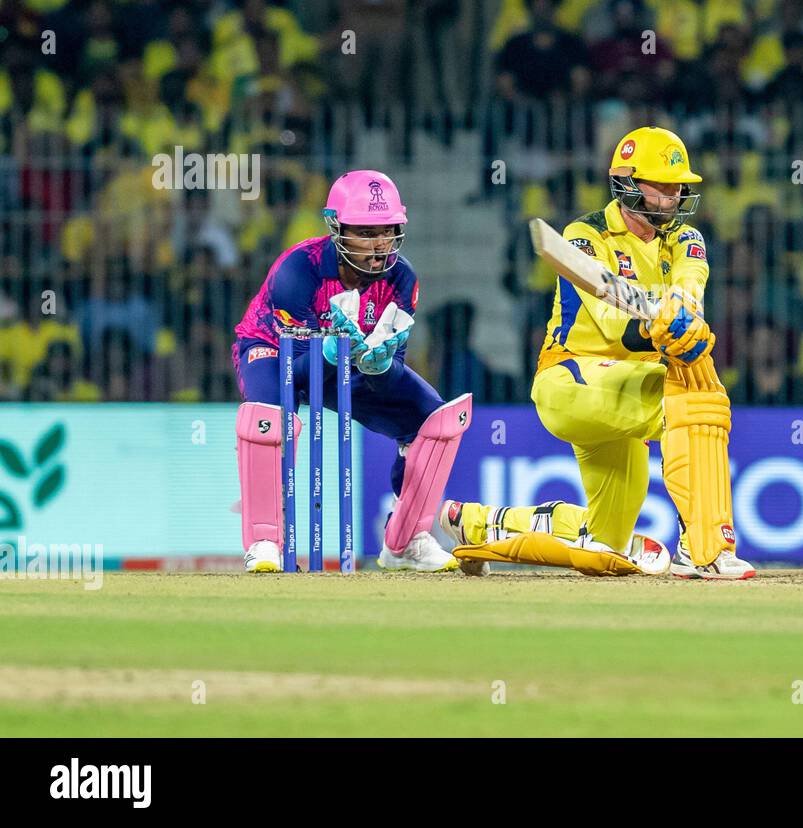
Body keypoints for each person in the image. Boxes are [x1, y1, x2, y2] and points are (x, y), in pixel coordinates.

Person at [440, 127, 755, 579]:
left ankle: (472, 522)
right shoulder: (584, 236)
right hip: (571, 379)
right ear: (626, 182)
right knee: (694, 398)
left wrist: (681, 317)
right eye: (661, 186)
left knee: (606, 542)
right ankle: (704, 549)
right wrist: (659, 329)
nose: (672, 197)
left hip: (628, 389)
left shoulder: (688, 240)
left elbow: (690, 289)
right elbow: (612, 326)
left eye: (677, 187)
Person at [231, 171, 471, 574]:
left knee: (437, 422)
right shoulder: (299, 270)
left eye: (387, 230)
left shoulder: (402, 278)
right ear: (336, 228)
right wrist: (329, 349)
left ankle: (407, 540)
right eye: (364, 232)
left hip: (349, 360)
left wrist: (379, 364)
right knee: (266, 420)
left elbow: (390, 367)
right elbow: (299, 376)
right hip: (274, 352)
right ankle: (264, 540)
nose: (379, 243)